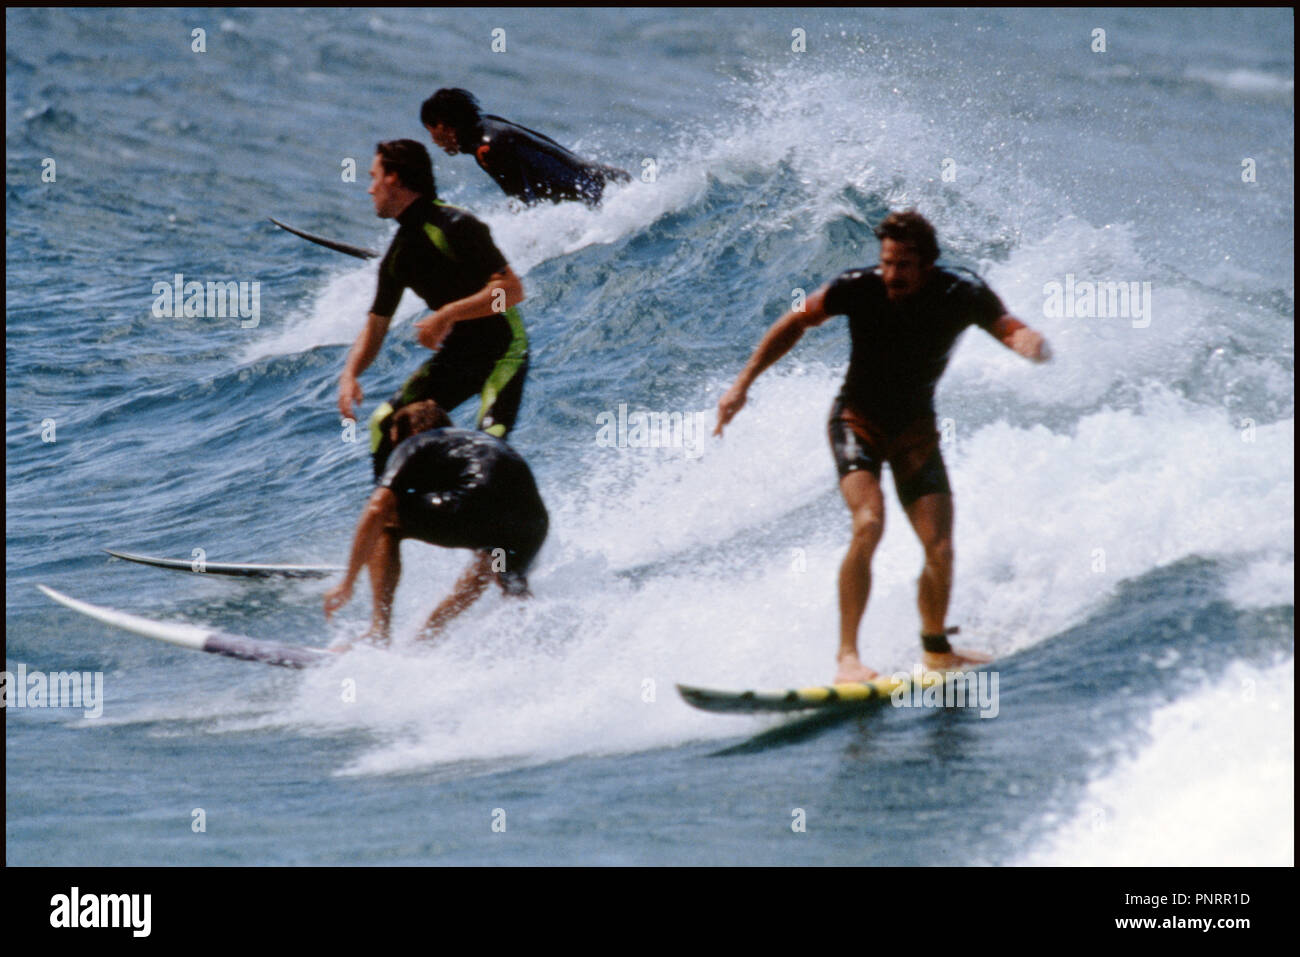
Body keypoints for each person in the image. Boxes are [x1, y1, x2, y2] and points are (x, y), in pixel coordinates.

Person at [714, 210, 1050, 683]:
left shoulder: (961, 294)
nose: (892, 274)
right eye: (888, 262)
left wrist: (1030, 344)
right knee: (869, 522)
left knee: (940, 546)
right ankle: (847, 658)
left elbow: (1009, 327)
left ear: (928, 265)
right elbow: (796, 321)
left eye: (904, 265)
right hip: (857, 420)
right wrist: (742, 385)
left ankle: (936, 650)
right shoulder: (859, 287)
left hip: (915, 429)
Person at [338, 139, 530, 478]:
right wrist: (350, 374)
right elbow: (376, 325)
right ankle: (396, 520)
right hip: (458, 357)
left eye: (374, 177)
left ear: (394, 179)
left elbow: (510, 292)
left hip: (503, 351)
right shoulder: (397, 257)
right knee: (384, 424)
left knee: (490, 444)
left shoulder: (456, 226)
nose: (369, 189)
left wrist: (447, 314)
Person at [324, 400, 549, 643]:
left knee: (385, 523)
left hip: (477, 507)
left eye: (392, 441)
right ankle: (530, 643)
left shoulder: (415, 442)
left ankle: (379, 632)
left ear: (406, 433)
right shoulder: (481, 443)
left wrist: (347, 582)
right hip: (530, 523)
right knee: (499, 573)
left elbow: (377, 508)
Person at [420, 88, 630, 206]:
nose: (433, 140)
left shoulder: (488, 148)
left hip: (598, 195)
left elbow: (525, 202)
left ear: (443, 126)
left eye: (431, 131)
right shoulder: (488, 124)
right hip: (604, 180)